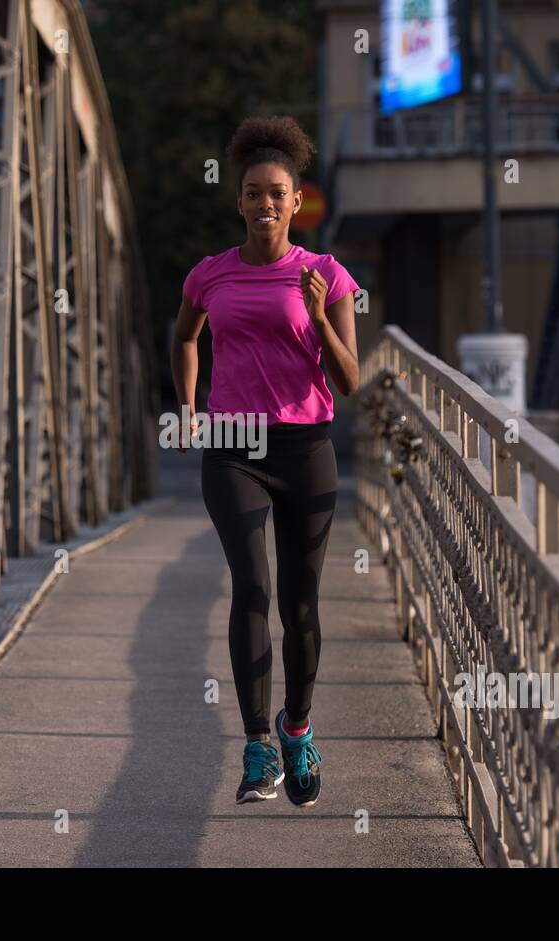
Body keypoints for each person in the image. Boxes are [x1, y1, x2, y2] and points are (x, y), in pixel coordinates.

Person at [170, 115, 360, 806]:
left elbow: (350, 380)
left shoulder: (326, 275)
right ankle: (256, 748)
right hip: (234, 445)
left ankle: (297, 727)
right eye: (254, 192)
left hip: (306, 445)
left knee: (300, 602)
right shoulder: (210, 274)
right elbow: (185, 336)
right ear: (239, 199)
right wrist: (189, 405)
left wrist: (315, 315)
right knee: (250, 586)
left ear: (296, 199)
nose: (266, 204)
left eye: (278, 192)